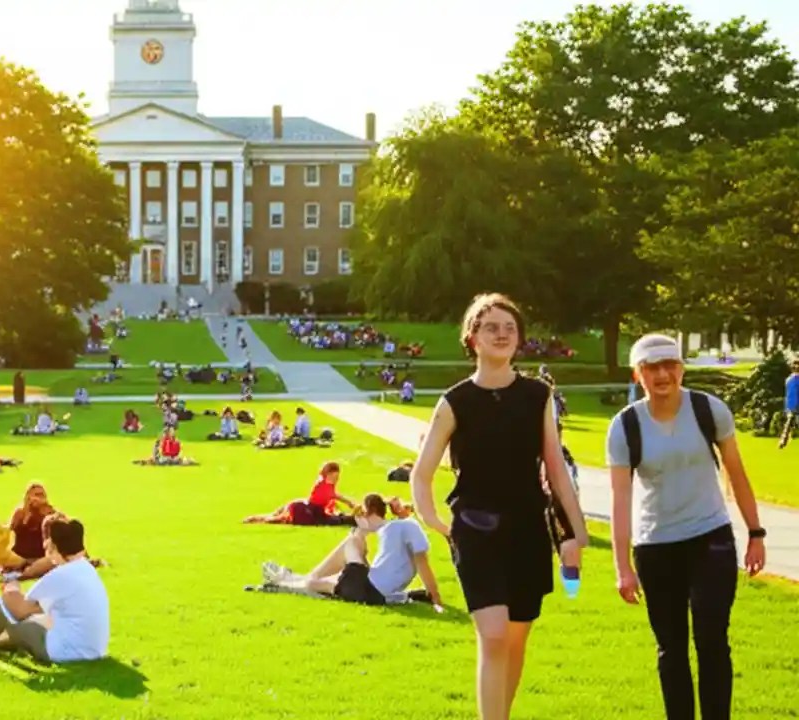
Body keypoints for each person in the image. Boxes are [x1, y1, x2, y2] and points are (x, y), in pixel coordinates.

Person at [409, 293, 588, 720]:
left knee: (515, 639)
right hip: (475, 529)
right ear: (472, 338)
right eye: (491, 327)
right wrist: (435, 521)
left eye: (510, 327)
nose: (502, 334)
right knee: (492, 637)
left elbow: (557, 470)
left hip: (528, 528)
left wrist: (575, 534)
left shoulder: (537, 395)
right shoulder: (456, 401)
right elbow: (422, 473)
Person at [606, 333, 768, 720]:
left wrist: (756, 533)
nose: (663, 374)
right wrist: (622, 567)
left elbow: (737, 474)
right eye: (652, 368)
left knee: (713, 640)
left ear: (681, 368)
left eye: (670, 365)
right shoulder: (625, 426)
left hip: (710, 537)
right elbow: (620, 500)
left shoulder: (709, 410)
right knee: (671, 649)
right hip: (656, 545)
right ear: (638, 374)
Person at [0, 519, 110, 664]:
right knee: (25, 620)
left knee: (1, 606)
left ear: (55, 546)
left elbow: (19, 610)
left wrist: (10, 583)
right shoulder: (85, 569)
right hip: (92, 650)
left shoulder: (61, 575)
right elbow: (39, 609)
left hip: (65, 652)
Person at [255, 495, 442, 608]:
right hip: (370, 591)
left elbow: (422, 562)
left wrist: (436, 599)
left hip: (368, 590)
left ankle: (295, 580)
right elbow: (387, 573)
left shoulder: (406, 527)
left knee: (351, 542)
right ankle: (292, 582)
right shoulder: (395, 530)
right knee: (315, 583)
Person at [243, 461, 356, 526]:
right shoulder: (323, 484)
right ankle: (254, 519)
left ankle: (254, 518)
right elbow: (335, 495)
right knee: (278, 518)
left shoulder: (328, 484)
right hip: (309, 511)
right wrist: (349, 502)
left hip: (312, 508)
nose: (337, 479)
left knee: (277, 516)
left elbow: (333, 497)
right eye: (334, 476)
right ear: (327, 475)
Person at [780, 358, 799, 450]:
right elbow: (788, 394)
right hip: (792, 405)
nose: (796, 367)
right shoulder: (789, 379)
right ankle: (783, 441)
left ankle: (783, 441)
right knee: (789, 423)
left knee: (789, 423)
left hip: (795, 405)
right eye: (794, 365)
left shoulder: (793, 380)